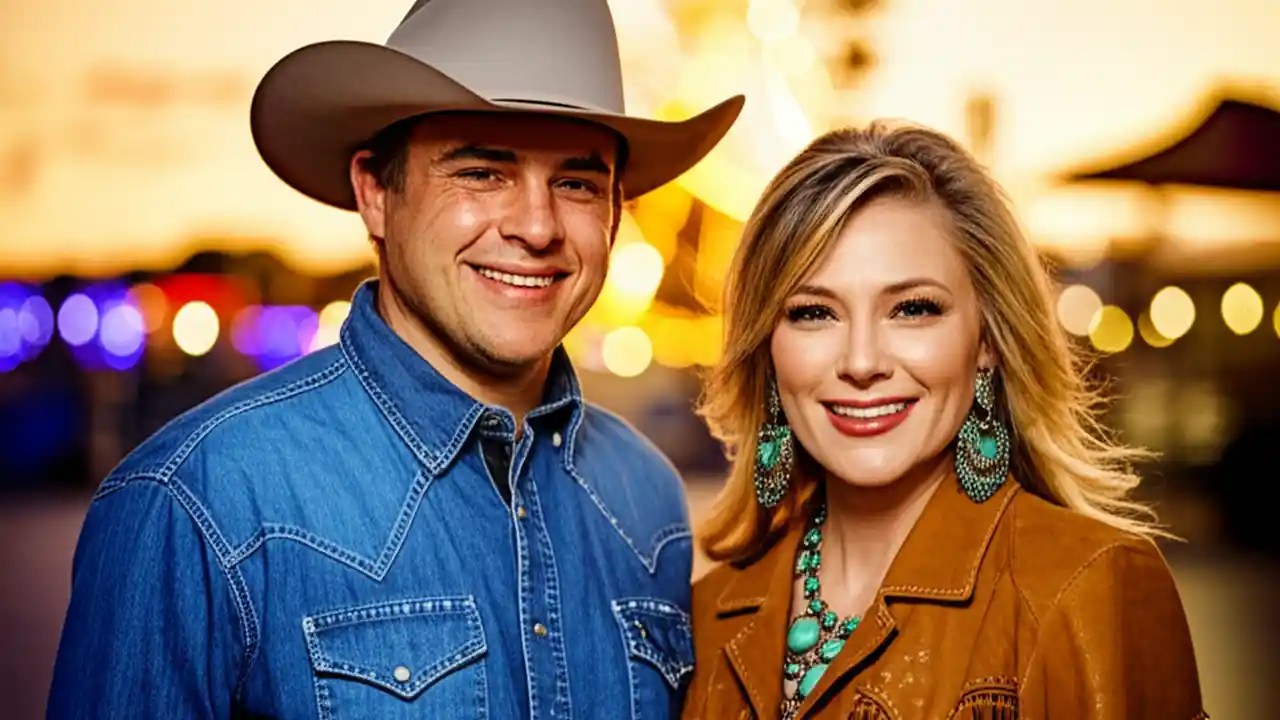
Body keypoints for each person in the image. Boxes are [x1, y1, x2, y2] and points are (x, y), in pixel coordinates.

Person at [48, 1, 743, 717]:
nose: (537, 226)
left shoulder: (646, 500)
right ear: (375, 194)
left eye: (576, 183)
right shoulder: (201, 501)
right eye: (481, 172)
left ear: (614, 211)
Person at [683, 123, 1207, 719]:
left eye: (912, 309)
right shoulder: (706, 614)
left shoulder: (1089, 587)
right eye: (813, 313)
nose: (861, 362)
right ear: (767, 349)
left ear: (986, 339)